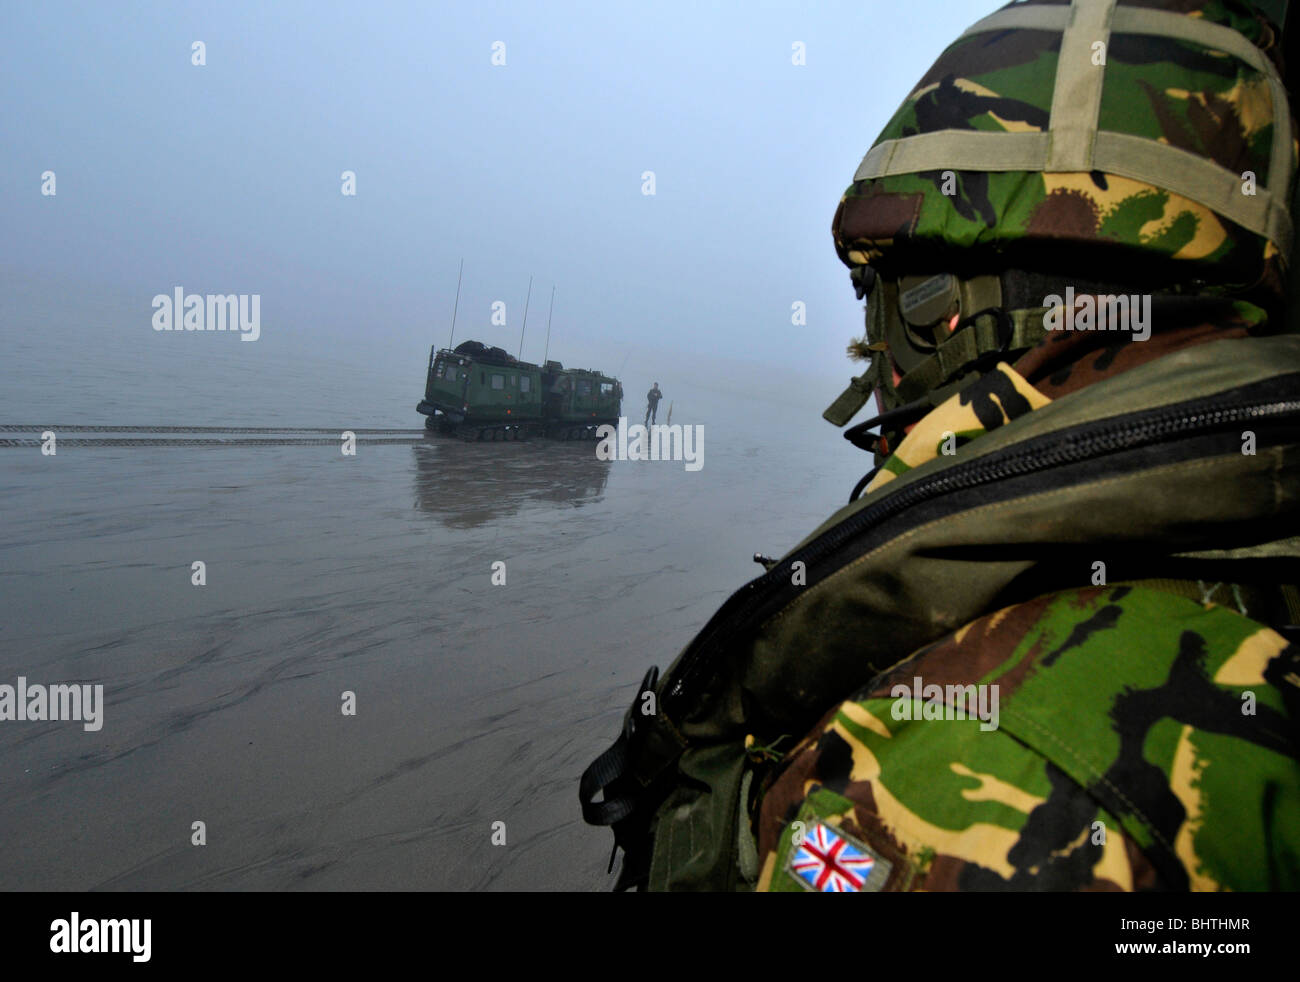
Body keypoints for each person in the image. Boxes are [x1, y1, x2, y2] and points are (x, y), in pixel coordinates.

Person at [582, 0, 1300, 892]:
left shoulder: (962, 791)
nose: (874, 359)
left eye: (879, 302)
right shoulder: (1243, 529)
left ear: (943, 313)